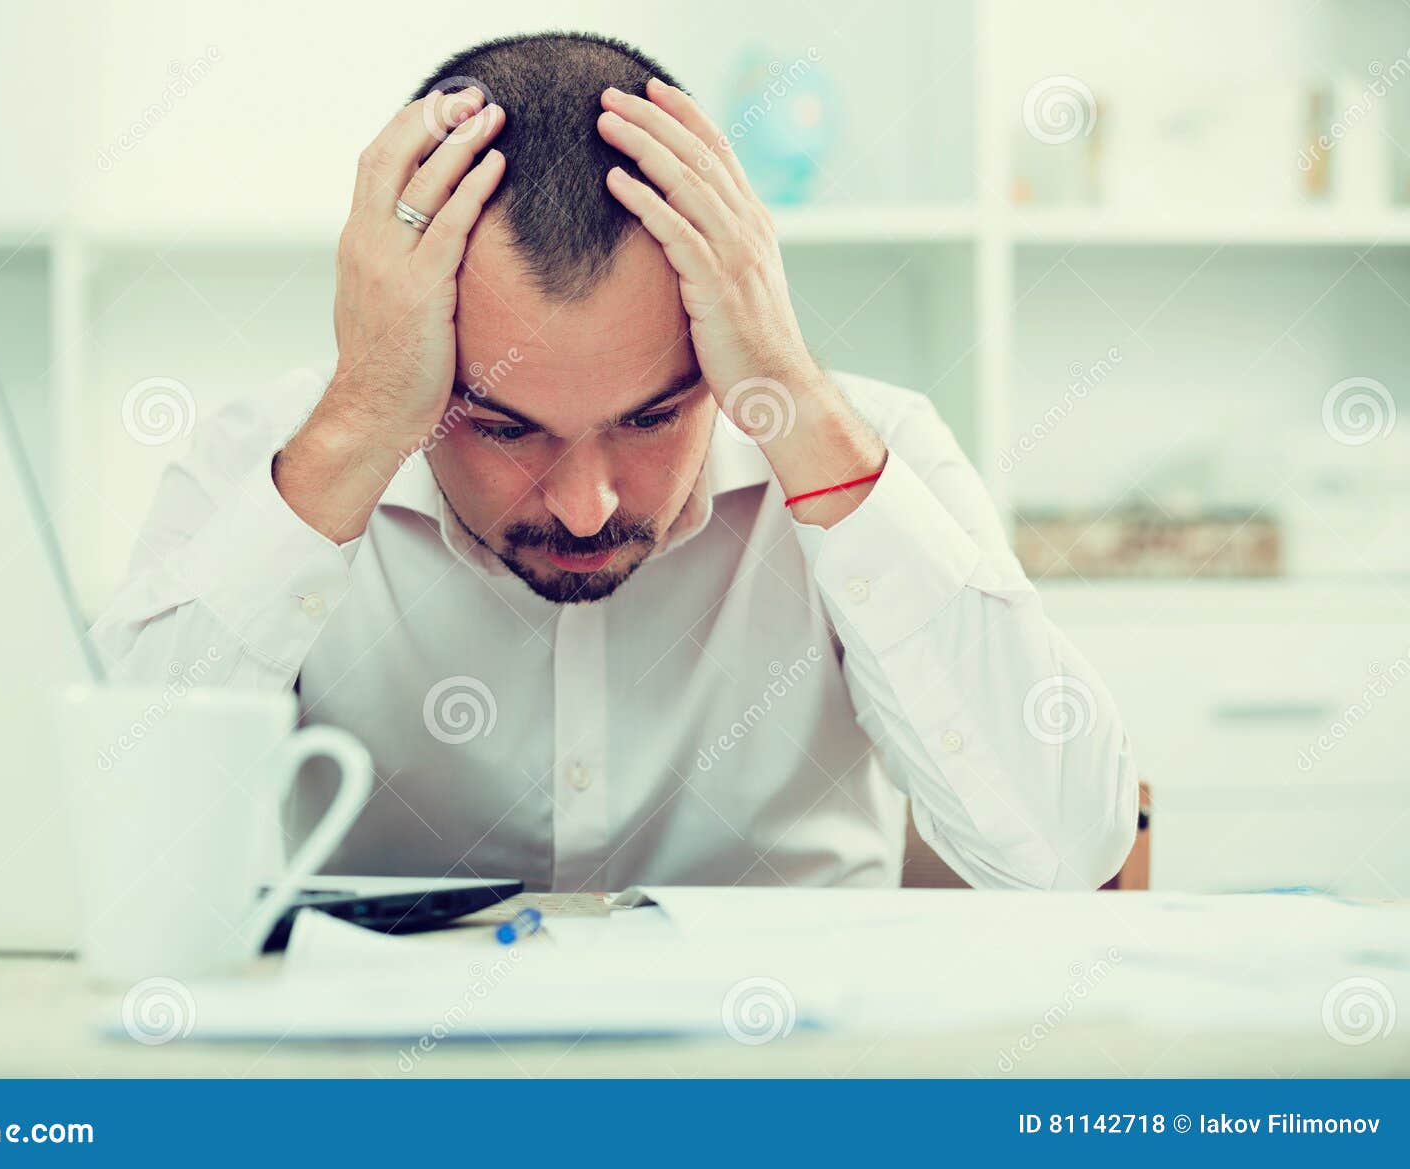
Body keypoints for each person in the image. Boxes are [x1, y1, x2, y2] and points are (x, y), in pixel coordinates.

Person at [91, 31, 1139, 893]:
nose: (587, 510)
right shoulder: (269, 461)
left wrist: (787, 386)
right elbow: (112, 836)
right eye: (504, 428)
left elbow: (1063, 853)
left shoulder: (868, 449)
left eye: (650, 419)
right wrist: (363, 416)